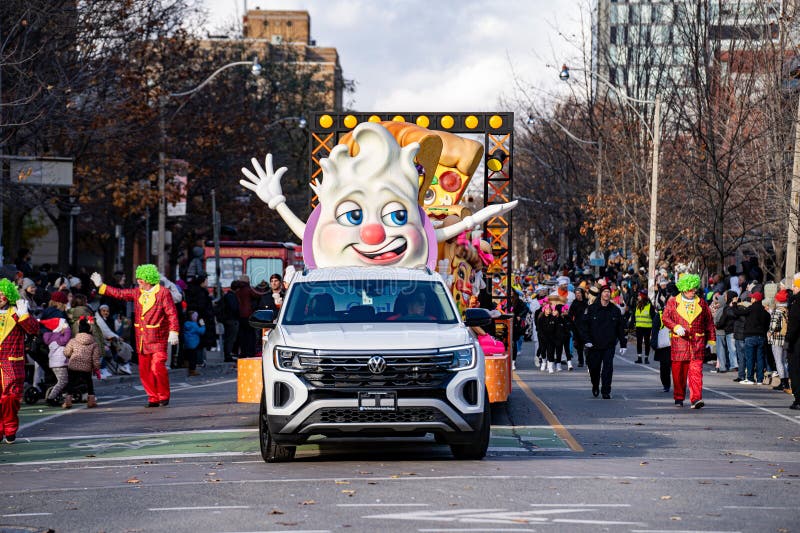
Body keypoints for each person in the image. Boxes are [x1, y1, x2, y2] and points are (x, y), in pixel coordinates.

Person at [91, 264, 179, 408]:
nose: (138, 281)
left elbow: (171, 313)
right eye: (138, 278)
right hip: (142, 339)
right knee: (144, 371)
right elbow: (120, 293)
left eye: (141, 279)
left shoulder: (163, 293)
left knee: (157, 366)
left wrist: (174, 331)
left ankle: (163, 395)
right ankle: (153, 397)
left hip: (158, 337)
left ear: (149, 279)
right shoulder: (138, 292)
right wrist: (102, 286)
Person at [661, 273, 716, 409]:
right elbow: (666, 318)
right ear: (684, 289)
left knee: (696, 372)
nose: (693, 292)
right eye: (691, 289)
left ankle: (696, 398)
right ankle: (679, 397)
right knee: (678, 373)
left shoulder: (701, 302)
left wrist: (711, 339)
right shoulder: (673, 301)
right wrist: (676, 327)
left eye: (694, 289)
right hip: (679, 343)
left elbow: (709, 321)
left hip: (697, 343)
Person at [0, 279, 39, 443]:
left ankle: (9, 428)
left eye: (2, 294)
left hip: (12, 363)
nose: (0, 297)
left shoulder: (16, 312)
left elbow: (34, 329)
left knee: (10, 399)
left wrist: (24, 315)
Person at [579, 284, 627, 399]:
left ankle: (606, 390)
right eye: (604, 292)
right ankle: (595, 385)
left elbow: (620, 328)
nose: (607, 294)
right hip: (594, 345)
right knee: (594, 368)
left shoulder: (614, 310)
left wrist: (623, 344)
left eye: (608, 292)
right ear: (601, 294)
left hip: (609, 345)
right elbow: (583, 326)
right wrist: (587, 341)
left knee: (607, 368)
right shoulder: (591, 309)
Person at [733, 291, 771, 385]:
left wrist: (734, 303)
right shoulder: (765, 312)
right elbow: (767, 324)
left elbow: (738, 312)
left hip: (750, 336)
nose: (751, 299)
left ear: (754, 299)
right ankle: (760, 380)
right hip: (761, 337)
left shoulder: (751, 308)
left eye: (752, 298)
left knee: (750, 358)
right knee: (760, 358)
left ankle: (750, 378)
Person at [63, 318, 101, 409]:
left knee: (71, 383)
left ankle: (68, 401)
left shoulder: (73, 340)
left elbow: (66, 352)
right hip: (86, 367)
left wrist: (70, 356)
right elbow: (95, 358)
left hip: (73, 366)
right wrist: (96, 367)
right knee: (89, 383)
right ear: (89, 330)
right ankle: (91, 401)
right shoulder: (94, 343)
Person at [41, 318, 71, 407]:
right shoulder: (58, 337)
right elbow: (66, 340)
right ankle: (51, 397)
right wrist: (67, 329)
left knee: (63, 381)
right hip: (59, 363)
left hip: (56, 362)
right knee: (62, 381)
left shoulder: (53, 336)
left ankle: (61, 395)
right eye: (64, 324)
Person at [783, 274, 800, 410]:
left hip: (797, 344)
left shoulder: (796, 303)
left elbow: (793, 324)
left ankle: (798, 399)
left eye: (795, 286)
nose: (793, 288)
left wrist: (788, 340)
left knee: (795, 371)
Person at [768, 289, 790, 391]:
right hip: (786, 338)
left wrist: (770, 332)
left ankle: (783, 382)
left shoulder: (777, 311)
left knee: (778, 361)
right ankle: (787, 382)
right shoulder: (788, 310)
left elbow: (773, 326)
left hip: (777, 338)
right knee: (785, 361)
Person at [633, 290, 656, 364]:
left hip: (647, 327)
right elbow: (634, 316)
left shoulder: (649, 306)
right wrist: (630, 325)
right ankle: (639, 358)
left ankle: (646, 358)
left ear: (642, 296)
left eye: (639, 295)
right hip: (639, 327)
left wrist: (655, 327)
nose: (638, 297)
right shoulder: (637, 305)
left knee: (647, 343)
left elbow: (654, 317)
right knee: (639, 342)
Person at [567, 288, 588, 367]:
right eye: (576, 293)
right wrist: (570, 325)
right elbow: (570, 315)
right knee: (578, 345)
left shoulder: (587, 302)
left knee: (587, 344)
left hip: (586, 326)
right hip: (577, 326)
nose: (578, 295)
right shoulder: (574, 303)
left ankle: (588, 359)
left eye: (579, 293)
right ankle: (580, 360)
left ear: (582, 293)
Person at [221, 280, 240, 362]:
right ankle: (228, 355)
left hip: (228, 319)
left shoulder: (228, 295)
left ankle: (228, 355)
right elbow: (234, 308)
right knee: (230, 338)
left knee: (229, 338)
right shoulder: (231, 296)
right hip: (231, 319)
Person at [182, 311, 206, 377]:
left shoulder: (186, 324)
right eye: (196, 317)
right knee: (193, 358)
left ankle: (185, 364)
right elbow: (201, 331)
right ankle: (192, 371)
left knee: (187, 355)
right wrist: (203, 325)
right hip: (194, 343)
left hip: (187, 343)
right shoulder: (194, 325)